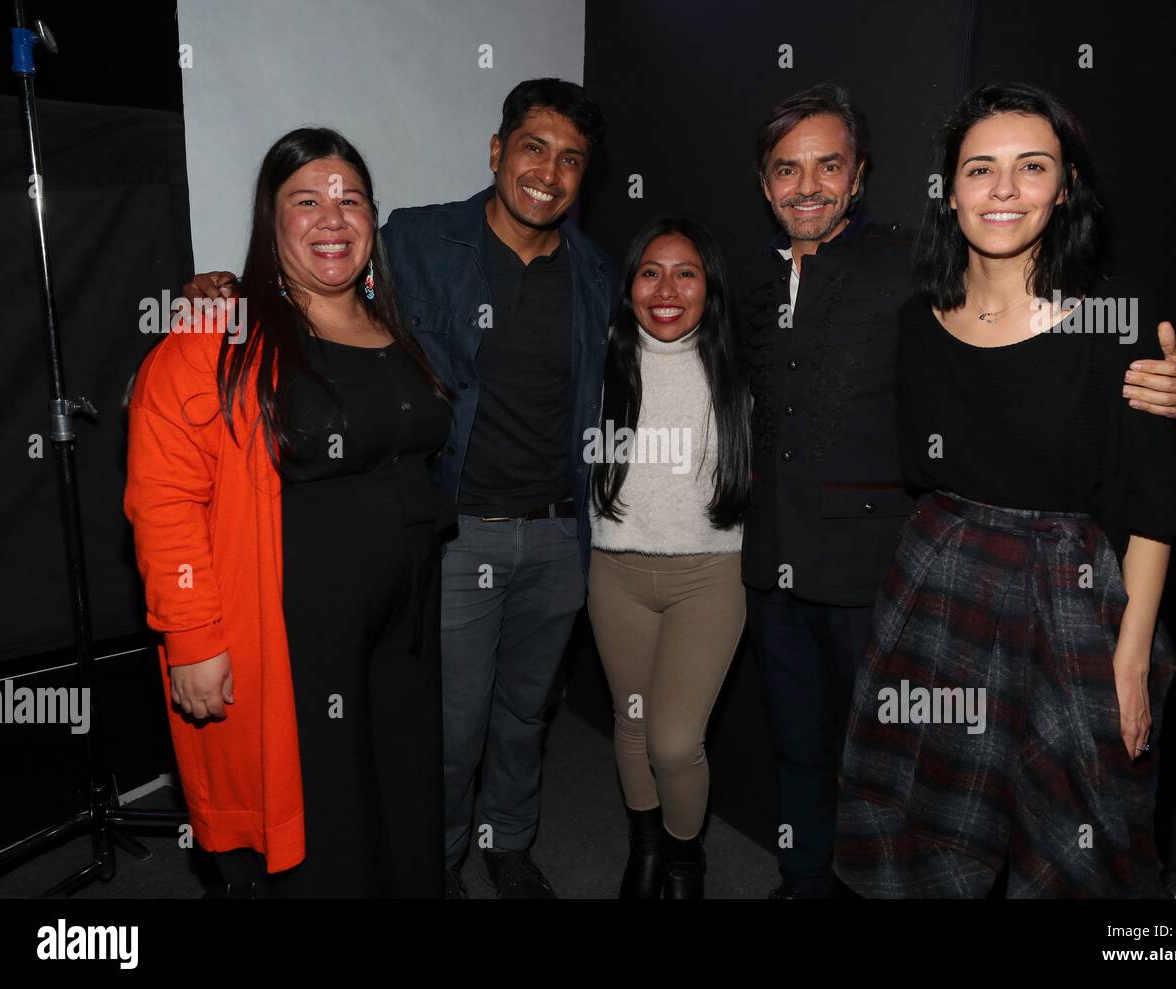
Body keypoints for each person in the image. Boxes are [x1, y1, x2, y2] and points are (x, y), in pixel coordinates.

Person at [738, 83, 1176, 899]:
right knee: (929, 830)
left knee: (1076, 841)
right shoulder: (923, 312)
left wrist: (1130, 659)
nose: (1002, 190)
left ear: (1064, 187)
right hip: (936, 590)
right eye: (979, 169)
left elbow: (1151, 493)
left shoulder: (1115, 315)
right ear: (949, 188)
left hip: (1069, 601)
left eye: (1031, 168)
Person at [182, 80, 619, 899]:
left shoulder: (595, 271)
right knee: (445, 725)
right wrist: (225, 290)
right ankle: (439, 857)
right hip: (458, 532)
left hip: (561, 531)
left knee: (526, 713)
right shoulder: (420, 240)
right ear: (497, 152)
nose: (548, 173)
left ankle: (510, 840)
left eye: (571, 160)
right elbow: (317, 266)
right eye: (533, 147)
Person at [125, 127, 452, 897]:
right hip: (291, 631)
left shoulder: (393, 327)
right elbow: (164, 491)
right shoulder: (221, 331)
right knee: (322, 816)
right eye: (305, 201)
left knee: (400, 797)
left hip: (405, 626)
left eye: (351, 200)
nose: (331, 218)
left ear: (374, 219)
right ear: (271, 224)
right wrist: (193, 636)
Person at [586, 217, 751, 899]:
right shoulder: (598, 360)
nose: (667, 288)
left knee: (676, 740)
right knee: (633, 724)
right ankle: (646, 850)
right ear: (628, 288)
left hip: (708, 577)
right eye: (650, 271)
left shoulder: (741, 369)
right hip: (615, 573)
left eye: (686, 273)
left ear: (708, 288)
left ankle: (685, 861)